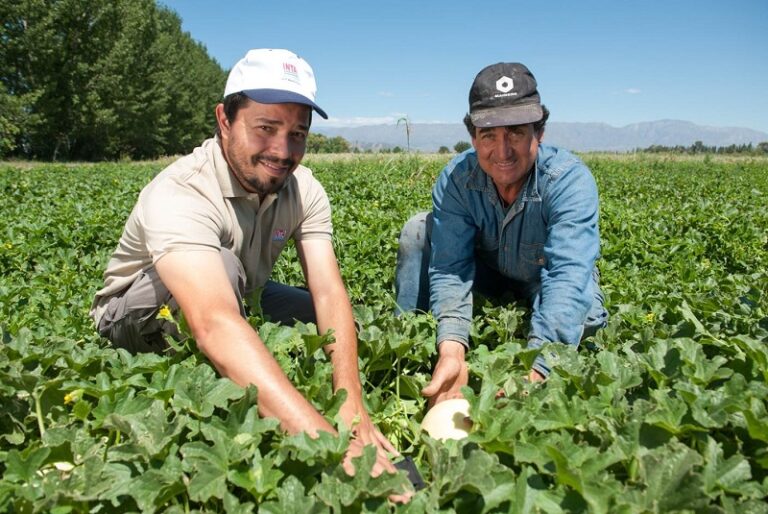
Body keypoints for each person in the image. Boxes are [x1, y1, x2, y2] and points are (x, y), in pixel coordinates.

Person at [90, 48, 405, 487]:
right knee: (224, 267)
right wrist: (326, 439)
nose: (282, 150)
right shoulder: (182, 191)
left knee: (323, 317)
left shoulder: (305, 189)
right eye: (265, 129)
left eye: (297, 133)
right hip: (131, 311)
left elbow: (329, 292)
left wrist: (350, 402)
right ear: (224, 120)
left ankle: (257, 362)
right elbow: (216, 321)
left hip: (238, 294)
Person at [395, 62, 608, 405]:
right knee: (418, 230)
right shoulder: (457, 179)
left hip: (542, 276)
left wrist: (538, 370)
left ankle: (542, 331)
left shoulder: (568, 181)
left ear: (539, 133)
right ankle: (403, 344)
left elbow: (567, 275)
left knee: (586, 314)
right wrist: (452, 349)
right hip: (486, 272)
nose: (503, 151)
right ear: (473, 139)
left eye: (516, 133)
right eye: (489, 135)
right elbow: (451, 267)